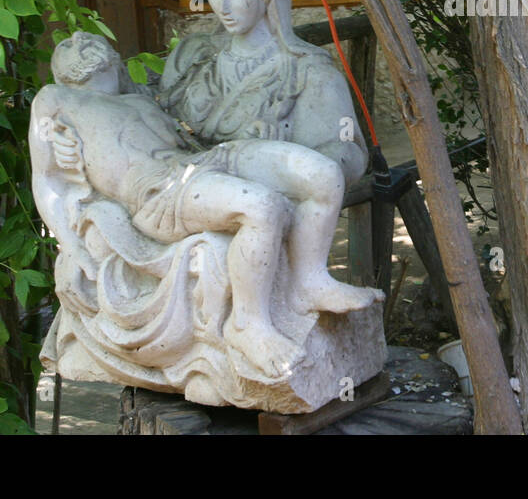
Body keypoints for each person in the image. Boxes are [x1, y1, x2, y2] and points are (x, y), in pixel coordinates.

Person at [31, 31, 379, 377]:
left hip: (205, 160)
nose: (77, 36)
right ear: (60, 71)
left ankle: (311, 282)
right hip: (161, 193)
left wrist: (253, 129)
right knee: (261, 207)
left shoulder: (137, 99)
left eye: (88, 38)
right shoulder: (56, 99)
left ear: (114, 60)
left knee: (323, 174)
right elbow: (46, 180)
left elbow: (194, 132)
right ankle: (248, 325)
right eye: (66, 43)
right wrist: (71, 244)